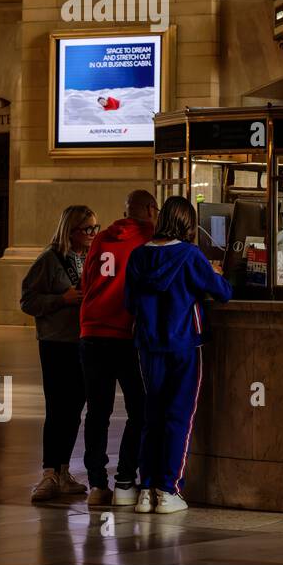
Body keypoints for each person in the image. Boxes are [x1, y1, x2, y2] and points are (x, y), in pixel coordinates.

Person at [125, 196, 232, 514]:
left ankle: (146, 489)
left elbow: (129, 304)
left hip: (147, 345)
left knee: (151, 417)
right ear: (188, 223)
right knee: (178, 418)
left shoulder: (137, 256)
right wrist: (214, 276)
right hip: (185, 344)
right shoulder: (190, 255)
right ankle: (168, 489)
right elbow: (223, 292)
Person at [78, 189, 158, 508]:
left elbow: (87, 281)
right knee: (139, 409)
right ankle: (126, 478)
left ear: (126, 210)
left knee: (98, 411)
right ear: (152, 210)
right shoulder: (150, 237)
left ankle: (97, 485)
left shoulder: (102, 238)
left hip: (91, 330)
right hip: (125, 333)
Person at [20, 204, 98, 503]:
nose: (92, 234)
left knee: (75, 408)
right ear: (71, 230)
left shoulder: (92, 258)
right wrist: (61, 299)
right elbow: (28, 301)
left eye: (95, 228)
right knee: (57, 408)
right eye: (87, 229)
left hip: (83, 340)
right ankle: (49, 472)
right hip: (55, 342)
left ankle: (64, 469)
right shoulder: (49, 260)